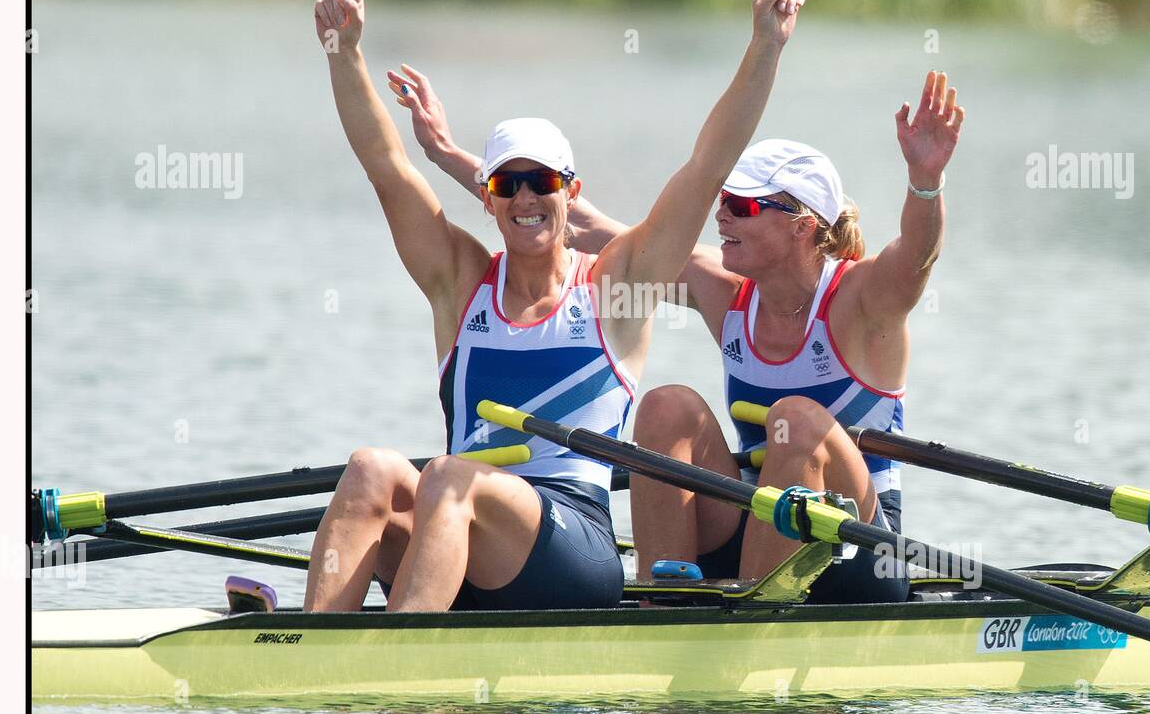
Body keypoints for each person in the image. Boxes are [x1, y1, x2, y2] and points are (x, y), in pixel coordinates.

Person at [302, 0, 805, 613]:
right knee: (369, 470)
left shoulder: (617, 285)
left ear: (572, 191)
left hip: (573, 546)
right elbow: (388, 168)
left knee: (448, 477)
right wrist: (345, 53)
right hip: (464, 533)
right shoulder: (460, 283)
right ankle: (309, 653)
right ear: (489, 198)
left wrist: (765, 45)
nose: (526, 198)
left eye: (542, 182)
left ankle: (404, 673)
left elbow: (706, 166)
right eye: (508, 184)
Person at [404, 44, 961, 601]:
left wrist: (926, 183)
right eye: (722, 200)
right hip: (765, 524)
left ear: (802, 225)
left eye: (741, 207)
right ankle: (662, 599)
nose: (719, 215)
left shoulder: (864, 299)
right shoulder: (720, 290)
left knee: (797, 422)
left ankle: (748, 610)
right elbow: (569, 220)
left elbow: (918, 254)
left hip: (863, 549)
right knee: (667, 405)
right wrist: (450, 155)